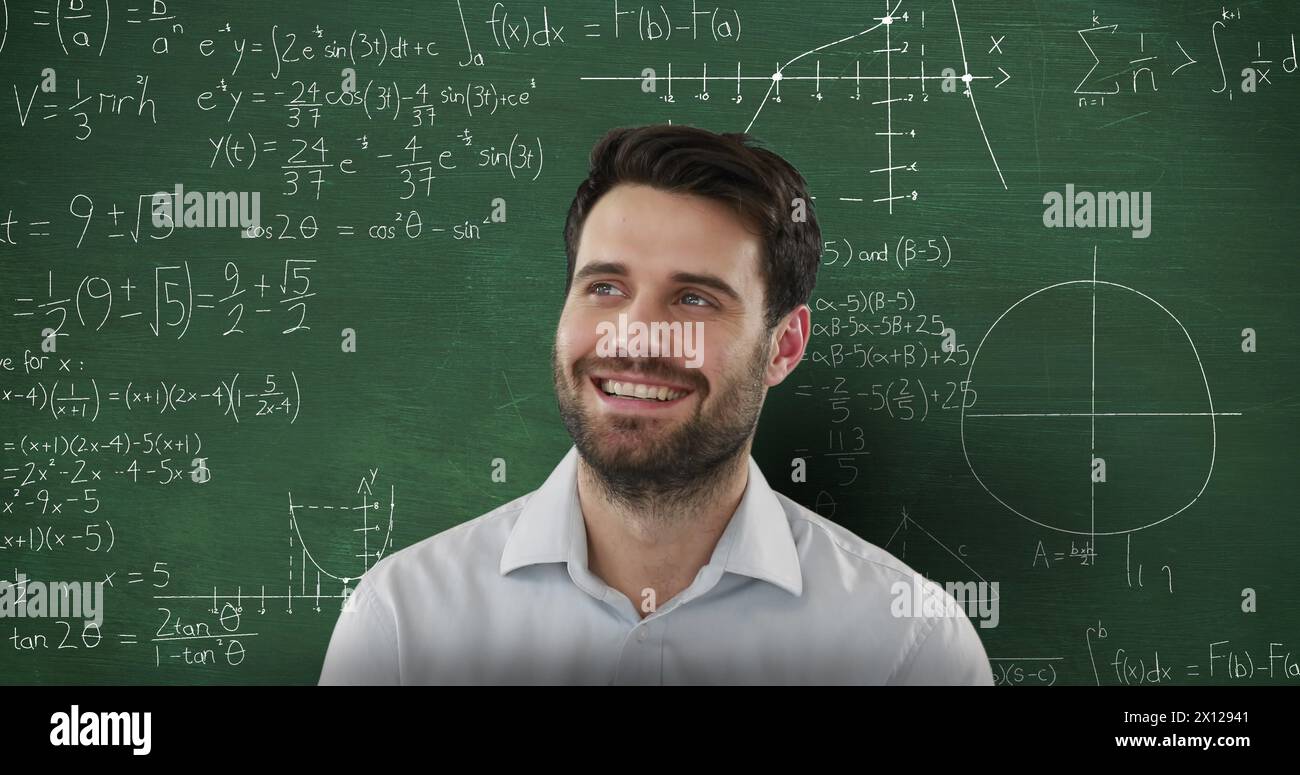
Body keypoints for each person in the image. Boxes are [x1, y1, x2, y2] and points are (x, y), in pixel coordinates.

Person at [319, 124, 994, 685]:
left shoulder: (909, 648)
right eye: (605, 287)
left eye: (694, 298)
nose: (634, 337)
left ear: (783, 345)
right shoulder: (401, 627)